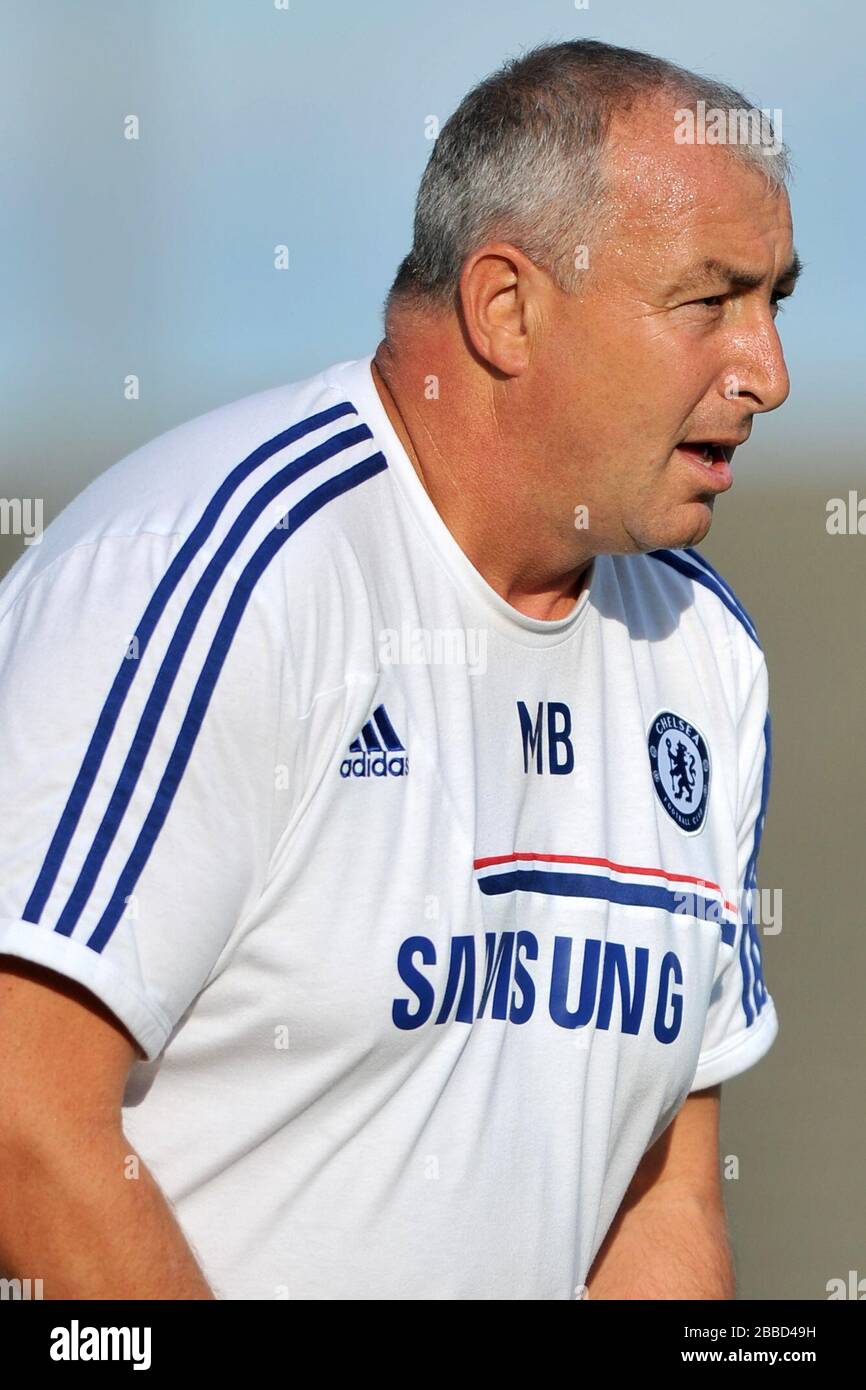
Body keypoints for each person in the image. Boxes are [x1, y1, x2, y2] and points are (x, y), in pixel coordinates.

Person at [0, 38, 798, 1300]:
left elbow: (659, 1199)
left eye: (775, 302)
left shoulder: (703, 652)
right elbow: (22, 1128)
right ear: (504, 308)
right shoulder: (217, 575)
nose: (766, 372)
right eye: (709, 300)